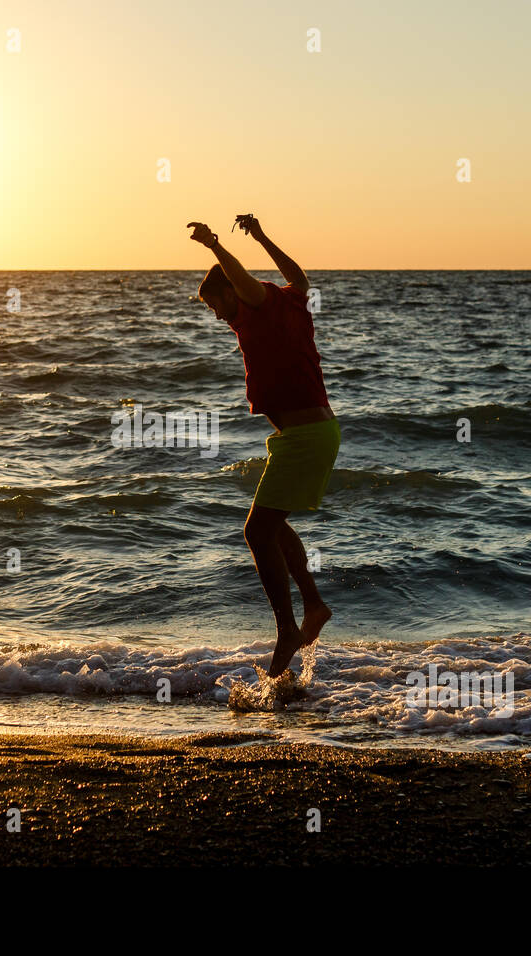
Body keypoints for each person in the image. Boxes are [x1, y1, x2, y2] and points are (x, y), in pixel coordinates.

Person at [188, 215, 340, 679]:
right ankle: (312, 607)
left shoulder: (258, 303)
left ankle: (289, 628)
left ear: (234, 292)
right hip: (303, 437)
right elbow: (299, 275)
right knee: (269, 527)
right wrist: (260, 236)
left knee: (257, 532)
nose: (218, 315)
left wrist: (215, 245)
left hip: (307, 438)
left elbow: (243, 279)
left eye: (217, 305)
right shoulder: (292, 299)